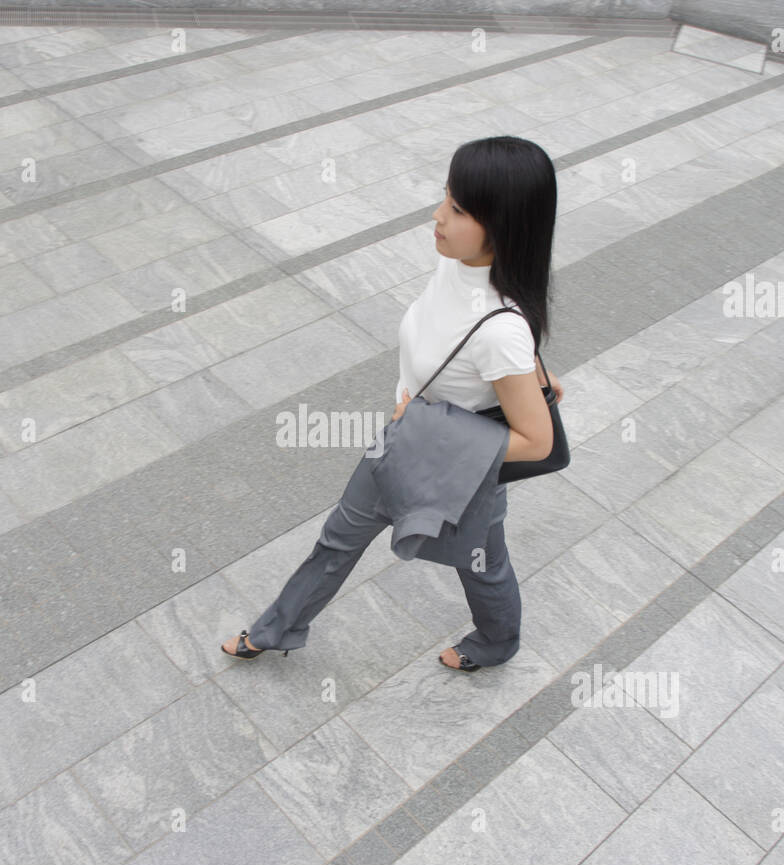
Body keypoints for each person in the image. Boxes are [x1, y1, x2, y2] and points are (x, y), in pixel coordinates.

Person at [222, 135, 564, 671]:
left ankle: (497, 642)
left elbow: (538, 442)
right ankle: (277, 629)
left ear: (502, 225)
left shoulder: (503, 331)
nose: (438, 216)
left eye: (457, 209)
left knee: (481, 563)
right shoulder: (458, 263)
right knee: (338, 540)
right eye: (445, 197)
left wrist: (429, 423)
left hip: (456, 466)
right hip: (402, 444)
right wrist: (534, 375)